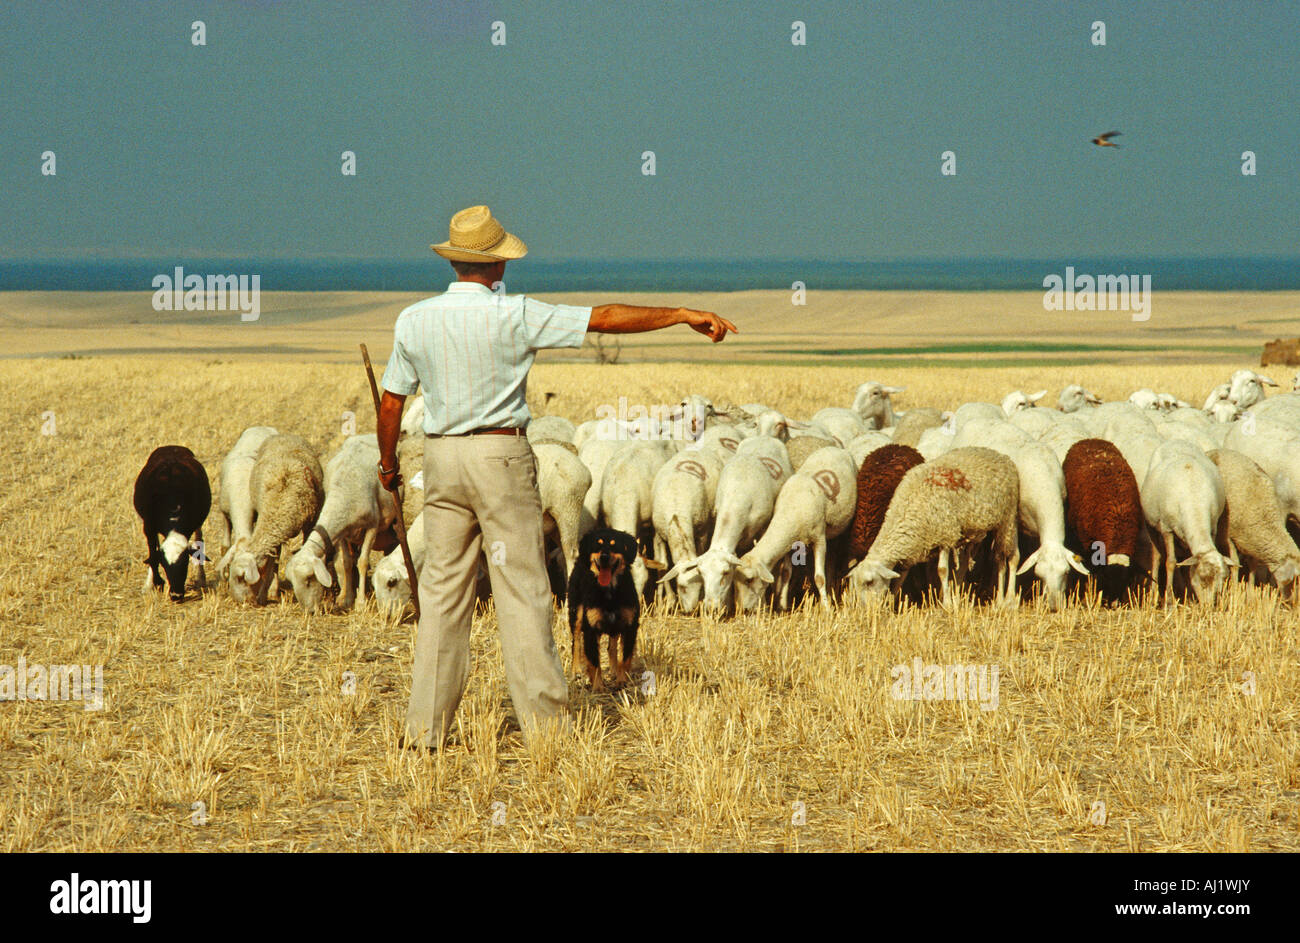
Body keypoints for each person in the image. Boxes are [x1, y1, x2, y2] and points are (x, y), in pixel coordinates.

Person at [375, 205, 737, 750]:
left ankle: (425, 731)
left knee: (442, 593)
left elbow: (390, 403)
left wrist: (387, 466)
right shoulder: (514, 314)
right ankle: (546, 732)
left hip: (441, 460)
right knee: (523, 592)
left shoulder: (414, 319)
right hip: (500, 457)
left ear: (455, 263)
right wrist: (682, 313)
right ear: (497, 264)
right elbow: (605, 317)